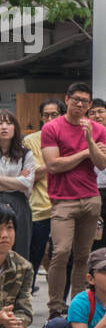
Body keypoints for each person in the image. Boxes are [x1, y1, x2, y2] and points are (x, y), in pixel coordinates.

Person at [42, 83, 106, 320]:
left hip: (91, 198)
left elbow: (101, 163)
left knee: (83, 255)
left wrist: (89, 140)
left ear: (90, 105)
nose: (80, 104)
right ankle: (55, 308)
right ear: (67, 99)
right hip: (62, 200)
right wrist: (84, 154)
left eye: (85, 101)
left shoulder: (98, 130)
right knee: (60, 252)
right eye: (76, 99)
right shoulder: (52, 128)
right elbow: (53, 164)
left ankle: (78, 306)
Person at [0, 204, 40, 328]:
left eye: (9, 228)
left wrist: (15, 322)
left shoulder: (24, 267)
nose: (4, 235)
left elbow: (24, 309)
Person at [23, 100, 62, 294]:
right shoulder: (31, 140)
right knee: (34, 254)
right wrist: (59, 162)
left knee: (62, 255)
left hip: (64, 205)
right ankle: (25, 293)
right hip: (39, 206)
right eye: (46, 115)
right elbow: (34, 173)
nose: (49, 118)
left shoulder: (69, 136)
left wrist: (51, 164)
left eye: (54, 114)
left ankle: (60, 298)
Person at [0, 110, 34, 264]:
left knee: (19, 251)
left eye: (9, 123)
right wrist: (16, 179)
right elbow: (20, 182)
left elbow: (26, 183)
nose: (4, 127)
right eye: (0, 123)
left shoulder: (25, 154)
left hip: (18, 204)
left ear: (15, 127)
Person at [87, 99, 106, 247]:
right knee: (98, 240)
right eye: (92, 113)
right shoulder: (85, 138)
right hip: (95, 192)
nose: (97, 116)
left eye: (100, 112)